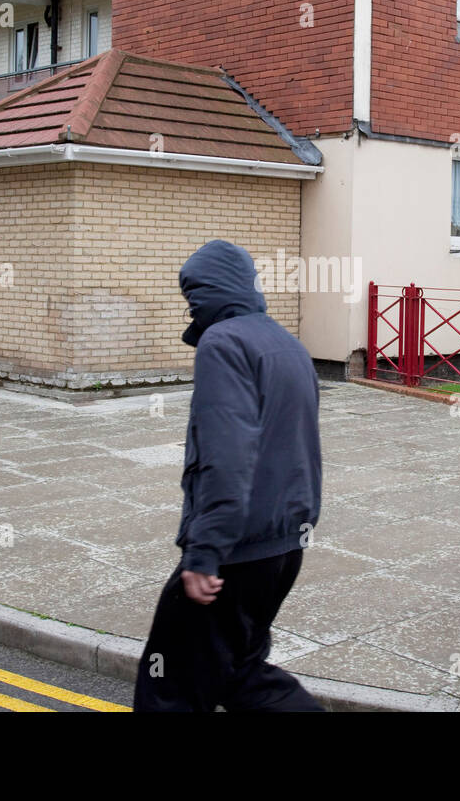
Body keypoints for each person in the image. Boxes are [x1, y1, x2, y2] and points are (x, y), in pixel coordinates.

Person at [133, 239, 324, 712]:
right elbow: (300, 449)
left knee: (168, 680)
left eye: (192, 293)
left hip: (235, 549)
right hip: (283, 544)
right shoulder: (288, 344)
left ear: (207, 293)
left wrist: (205, 552)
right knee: (238, 671)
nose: (191, 304)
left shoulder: (224, 344)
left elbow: (228, 455)